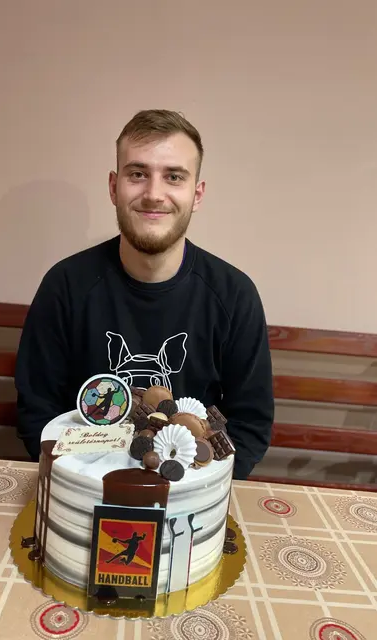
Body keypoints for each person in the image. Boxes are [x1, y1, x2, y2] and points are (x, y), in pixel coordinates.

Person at [15, 109, 274, 480]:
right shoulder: (65, 286)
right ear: (113, 187)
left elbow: (250, 425)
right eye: (137, 174)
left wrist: (194, 492)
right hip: (85, 490)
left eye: (174, 177)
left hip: (192, 499)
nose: (154, 194)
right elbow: (37, 413)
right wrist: (87, 486)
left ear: (197, 194)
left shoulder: (234, 296)